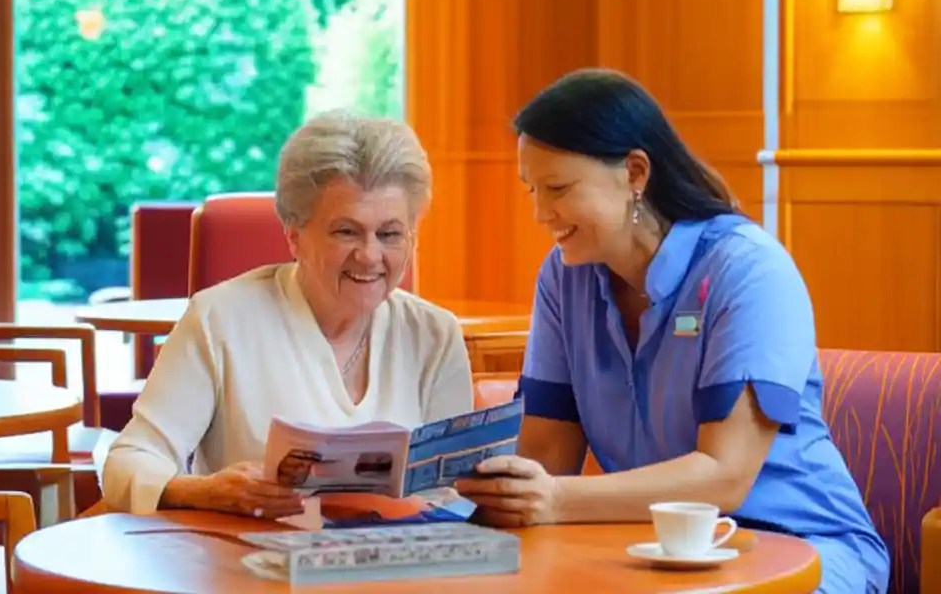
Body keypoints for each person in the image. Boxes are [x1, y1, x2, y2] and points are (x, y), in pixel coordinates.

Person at [454, 68, 889, 593]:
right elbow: (546, 457)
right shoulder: (562, 278)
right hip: (652, 553)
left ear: (635, 172)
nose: (540, 212)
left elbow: (724, 477)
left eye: (559, 188)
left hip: (798, 547)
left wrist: (557, 500)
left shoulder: (748, 270)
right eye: (532, 190)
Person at [101, 112, 474, 517]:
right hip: (250, 569)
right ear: (294, 236)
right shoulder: (220, 320)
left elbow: (454, 492)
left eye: (389, 234)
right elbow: (130, 459)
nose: (369, 255)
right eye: (345, 231)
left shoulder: (436, 334)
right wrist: (202, 491)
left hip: (404, 573)